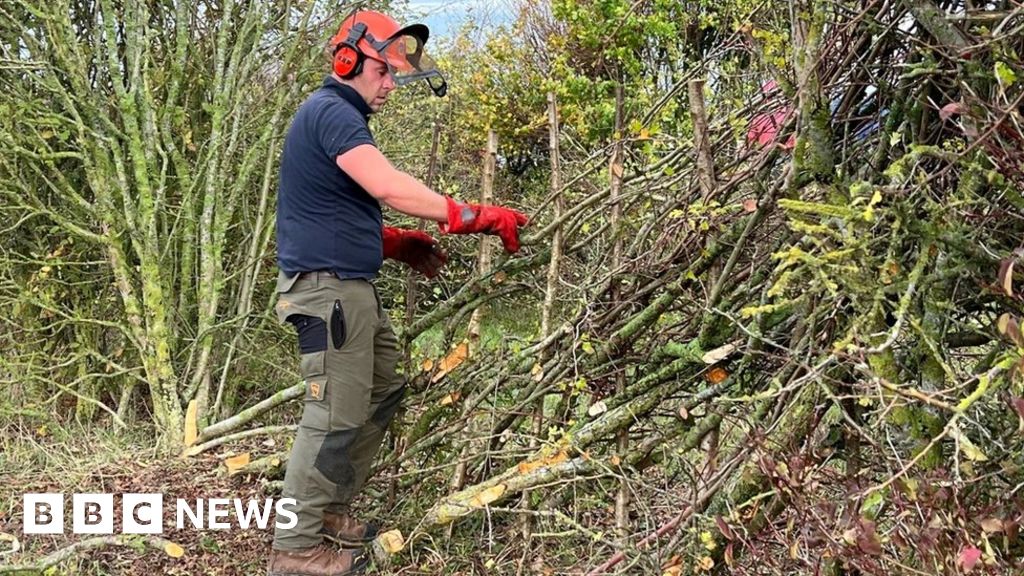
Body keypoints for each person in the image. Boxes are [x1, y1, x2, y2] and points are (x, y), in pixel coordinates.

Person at [267, 9, 528, 576]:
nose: (390, 86)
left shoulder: (335, 120)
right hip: (327, 293)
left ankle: (328, 510)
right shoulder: (332, 112)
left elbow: (325, 210)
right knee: (331, 414)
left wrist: (390, 243)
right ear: (349, 61)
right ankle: (295, 550)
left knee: (383, 388)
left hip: (348, 288)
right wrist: (471, 215)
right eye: (384, 73)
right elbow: (388, 186)